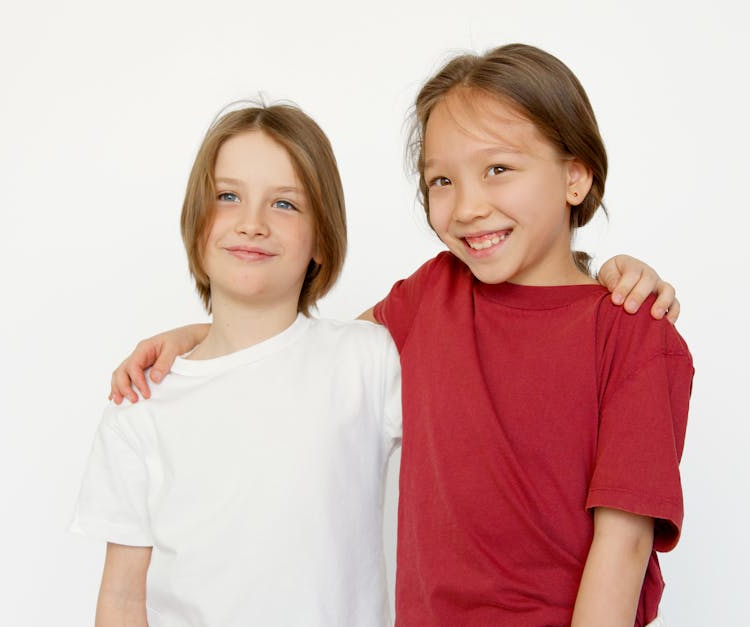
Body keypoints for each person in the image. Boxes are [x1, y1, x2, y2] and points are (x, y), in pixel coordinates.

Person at [111, 44, 692, 627]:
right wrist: (206, 337)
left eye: (498, 169)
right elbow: (307, 355)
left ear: (575, 176)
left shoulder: (635, 335)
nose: (466, 207)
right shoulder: (432, 296)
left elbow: (623, 550)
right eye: (441, 179)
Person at [71, 103, 403, 626]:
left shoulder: (367, 360)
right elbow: (120, 597)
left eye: (285, 204)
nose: (252, 224)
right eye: (228, 197)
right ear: (196, 224)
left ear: (321, 238)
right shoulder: (142, 401)